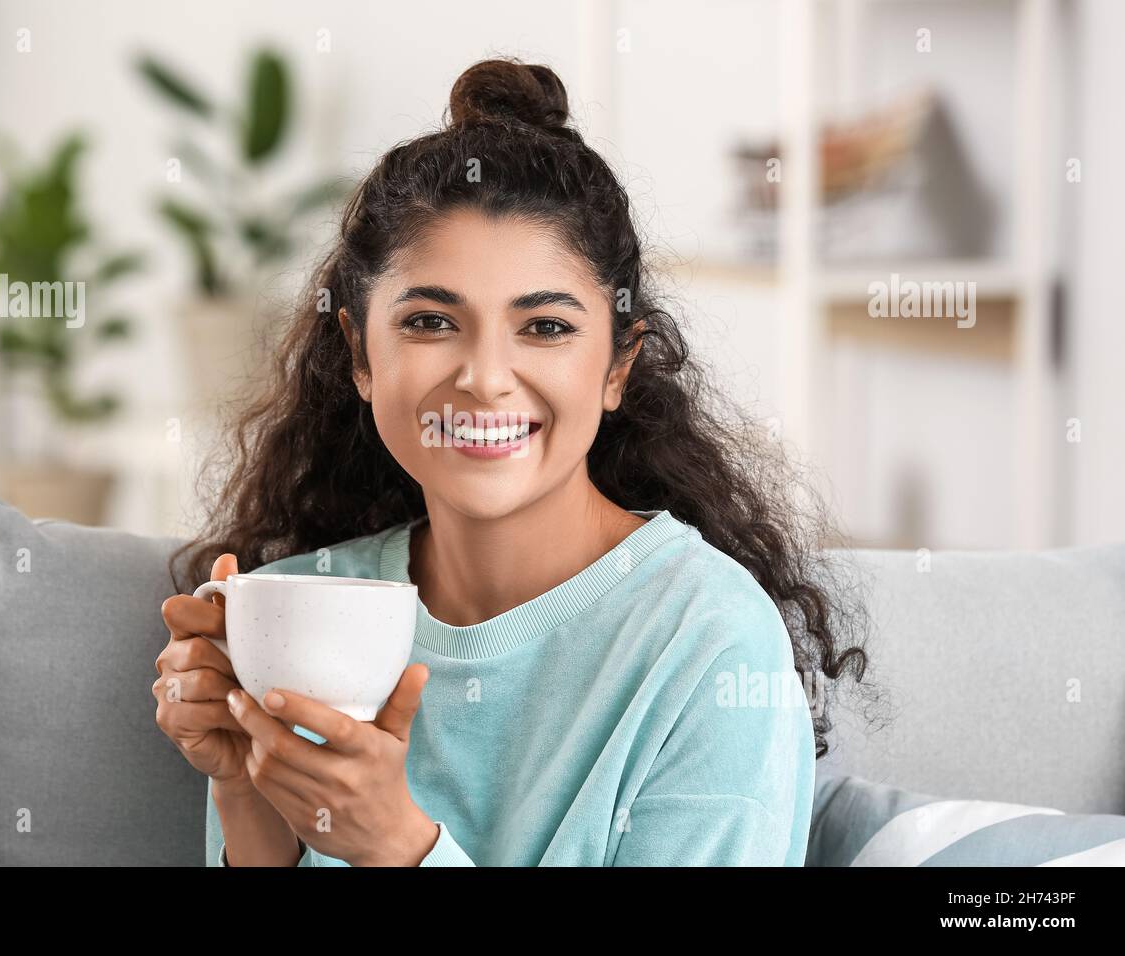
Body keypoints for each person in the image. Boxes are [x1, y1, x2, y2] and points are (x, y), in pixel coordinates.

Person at [152, 56, 873, 866]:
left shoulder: (709, 641)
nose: (486, 378)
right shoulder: (284, 614)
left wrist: (399, 847)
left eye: (547, 328)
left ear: (617, 367)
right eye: (429, 322)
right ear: (359, 353)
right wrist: (247, 791)